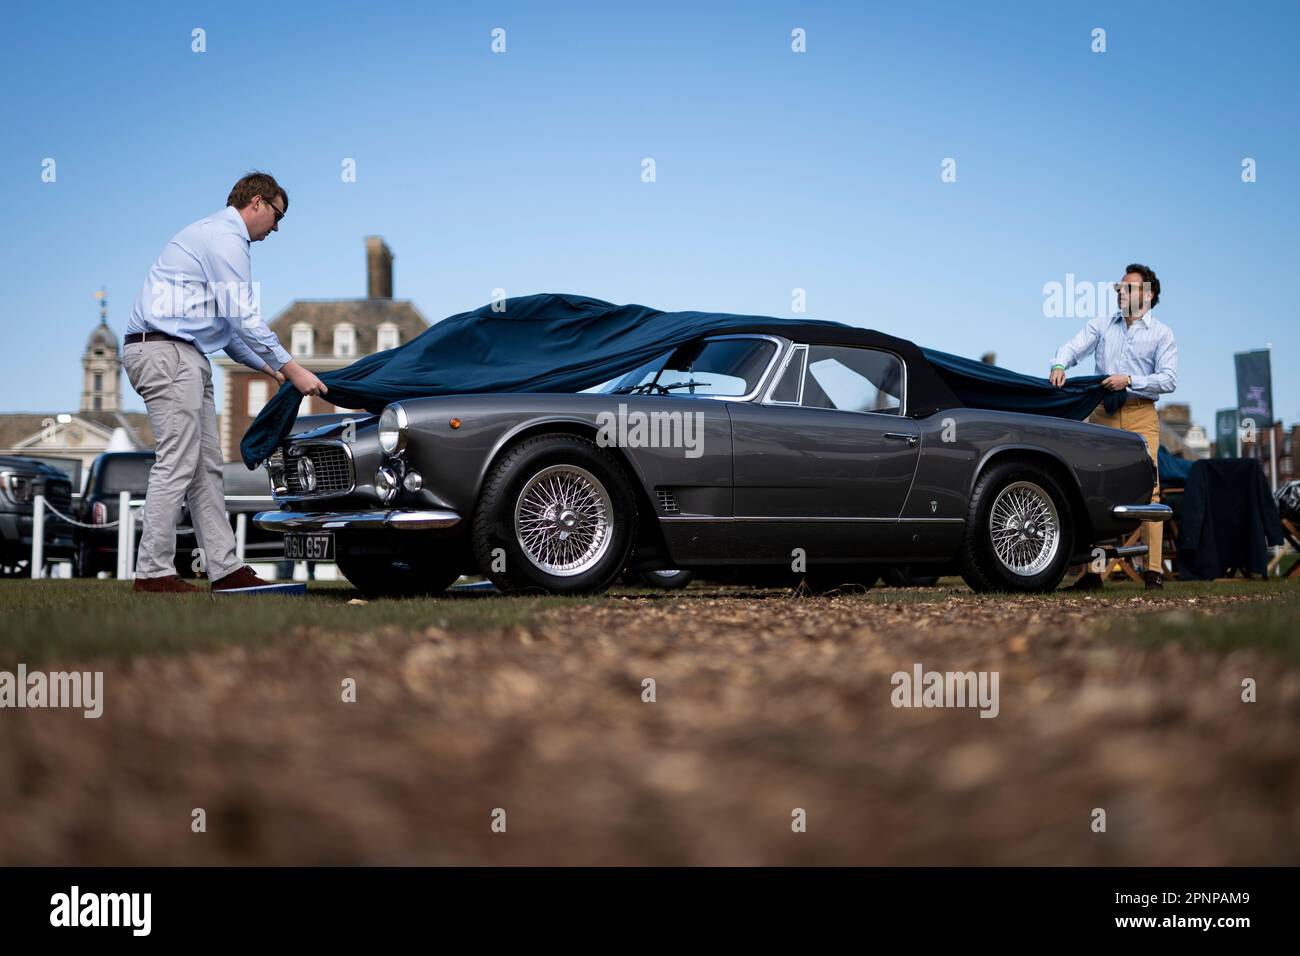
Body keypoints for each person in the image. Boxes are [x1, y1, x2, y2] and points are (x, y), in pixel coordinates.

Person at [122, 172, 327, 594]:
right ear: (257, 202)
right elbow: (245, 318)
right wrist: (293, 369)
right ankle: (153, 573)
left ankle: (225, 569)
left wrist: (271, 369)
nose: (276, 227)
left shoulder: (214, 241)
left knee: (204, 469)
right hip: (166, 352)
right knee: (177, 461)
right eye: (277, 215)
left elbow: (231, 335)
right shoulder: (225, 238)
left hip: (184, 355)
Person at [1050, 263, 1178, 590]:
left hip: (1140, 415)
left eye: (1128, 287)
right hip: (1102, 416)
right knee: (1097, 490)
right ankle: (1094, 574)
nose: (1120, 292)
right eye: (1118, 288)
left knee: (1149, 491)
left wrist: (1130, 380)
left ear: (1148, 295)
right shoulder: (1102, 325)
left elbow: (1168, 379)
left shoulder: (1162, 334)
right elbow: (1073, 346)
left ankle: (1153, 571)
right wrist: (1060, 364)